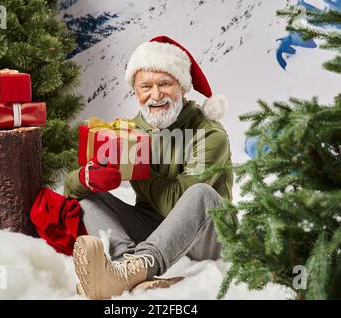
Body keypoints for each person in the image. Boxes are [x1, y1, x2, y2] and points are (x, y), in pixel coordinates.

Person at [64, 35, 233, 299]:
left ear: (182, 87)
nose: (155, 96)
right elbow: (69, 192)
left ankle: (135, 268)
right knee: (88, 195)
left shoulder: (209, 134)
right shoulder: (130, 131)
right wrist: (88, 176)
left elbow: (178, 203)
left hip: (207, 238)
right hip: (152, 227)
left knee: (201, 193)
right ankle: (124, 268)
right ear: (135, 91)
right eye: (146, 86)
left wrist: (133, 167)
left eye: (165, 84)